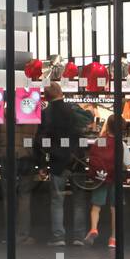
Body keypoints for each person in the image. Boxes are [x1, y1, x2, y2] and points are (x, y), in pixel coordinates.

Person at [36, 82, 89, 247]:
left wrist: (41, 163)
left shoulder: (46, 113)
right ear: (61, 92)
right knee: (79, 201)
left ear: (46, 97)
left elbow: (40, 139)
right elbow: (89, 120)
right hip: (77, 161)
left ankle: (58, 236)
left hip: (58, 161)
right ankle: (79, 237)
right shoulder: (73, 109)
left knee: (57, 200)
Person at [84, 114, 130, 250]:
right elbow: (127, 164)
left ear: (107, 126)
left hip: (100, 178)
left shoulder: (99, 141)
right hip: (116, 178)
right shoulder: (121, 144)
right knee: (115, 208)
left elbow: (91, 159)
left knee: (96, 206)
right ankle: (113, 239)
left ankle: (93, 228)